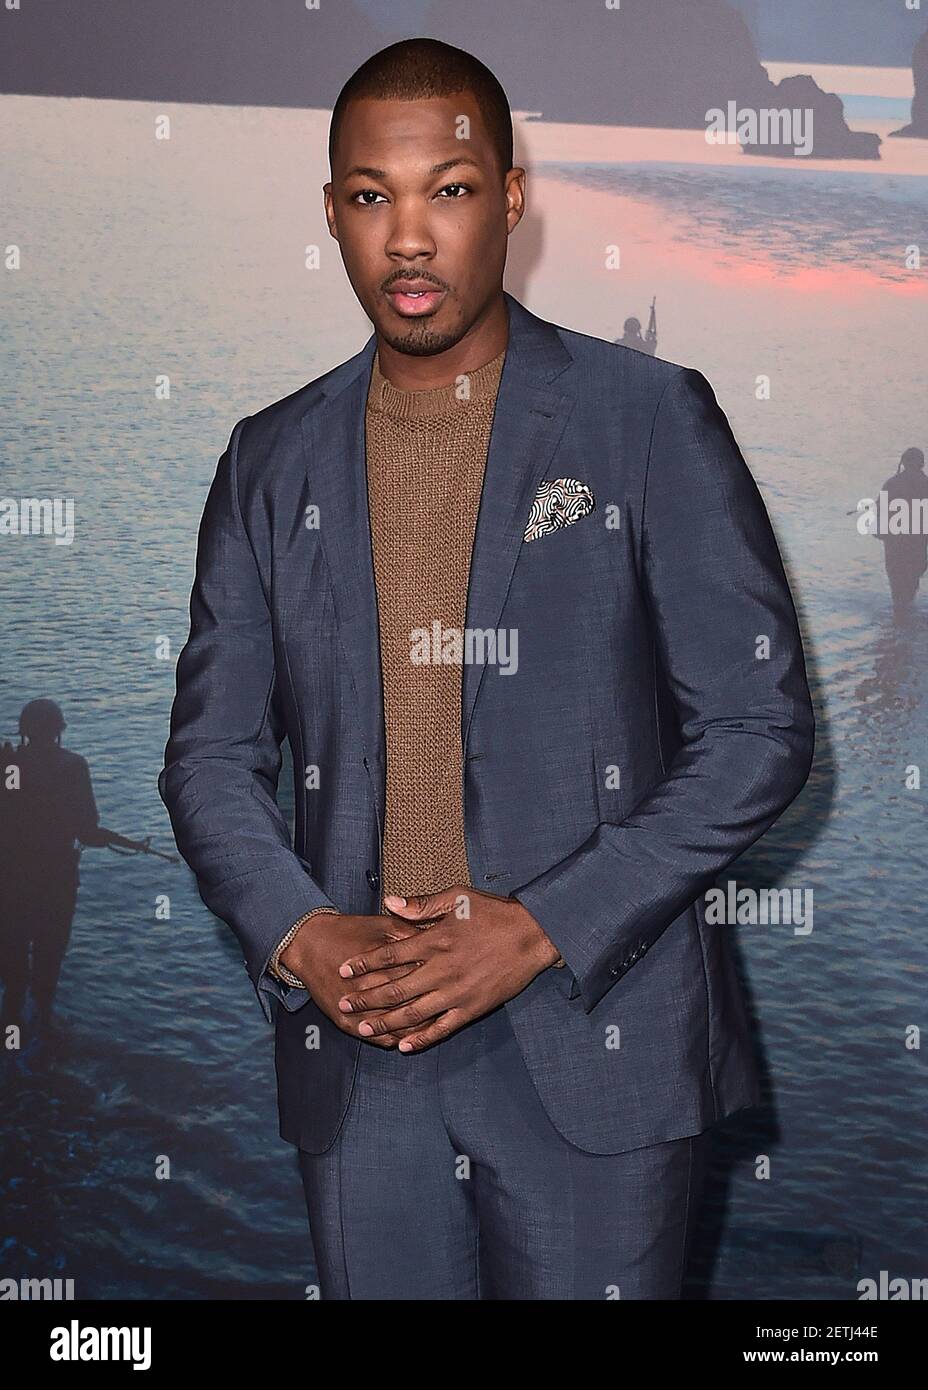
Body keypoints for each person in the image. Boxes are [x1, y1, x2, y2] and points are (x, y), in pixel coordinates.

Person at [159, 37, 815, 1300]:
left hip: (595, 1048)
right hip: (359, 1067)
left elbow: (754, 728)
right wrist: (302, 934)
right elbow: (208, 758)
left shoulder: (646, 416)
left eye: (449, 190)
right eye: (370, 196)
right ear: (334, 215)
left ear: (510, 198)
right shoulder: (266, 459)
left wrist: (537, 929)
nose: (409, 237)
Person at [0, 699, 146, 1044]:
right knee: (49, 958)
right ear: (58, 730)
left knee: (14, 961)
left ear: (24, 729)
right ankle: (45, 1032)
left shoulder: (10, 766)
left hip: (12, 882)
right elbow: (87, 831)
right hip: (57, 881)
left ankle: (12, 1035)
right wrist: (128, 844)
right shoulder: (73, 767)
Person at [874, 447, 928, 614]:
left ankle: (901, 617)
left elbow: (880, 509)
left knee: (899, 585)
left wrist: (880, 531)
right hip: (914, 542)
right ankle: (903, 618)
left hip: (897, 541)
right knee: (909, 583)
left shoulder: (892, 483)